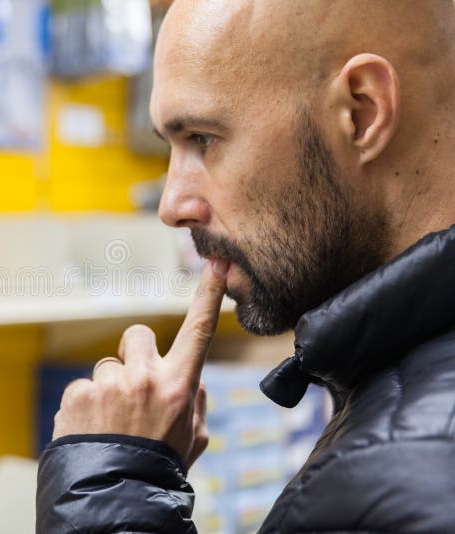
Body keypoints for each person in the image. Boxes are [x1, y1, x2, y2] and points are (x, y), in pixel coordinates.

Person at [36, 0, 455, 532]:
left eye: (203, 139)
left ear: (363, 113)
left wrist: (113, 486)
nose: (171, 205)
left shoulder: (391, 484)